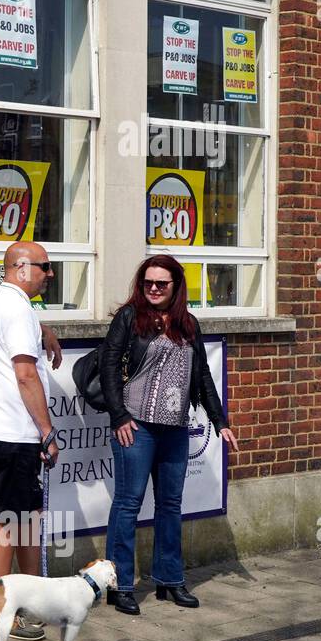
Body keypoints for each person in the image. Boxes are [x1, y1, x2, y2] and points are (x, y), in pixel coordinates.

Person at [101, 255, 238, 614]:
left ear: (176, 285)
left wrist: (220, 421)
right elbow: (109, 366)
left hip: (175, 428)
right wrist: (118, 415)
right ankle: (120, 584)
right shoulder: (129, 318)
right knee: (128, 504)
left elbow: (203, 376)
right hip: (136, 426)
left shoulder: (188, 324)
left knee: (170, 506)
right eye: (148, 282)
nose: (155, 289)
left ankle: (169, 580)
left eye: (162, 283)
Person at [0, 241, 63, 641]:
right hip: (12, 433)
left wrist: (44, 329)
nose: (51, 273)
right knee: (11, 521)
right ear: (22, 268)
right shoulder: (15, 309)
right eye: (45, 267)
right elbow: (26, 375)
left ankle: (28, 602)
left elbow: (15, 329)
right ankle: (5, 612)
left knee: (25, 518)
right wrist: (46, 430)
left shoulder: (2, 301)